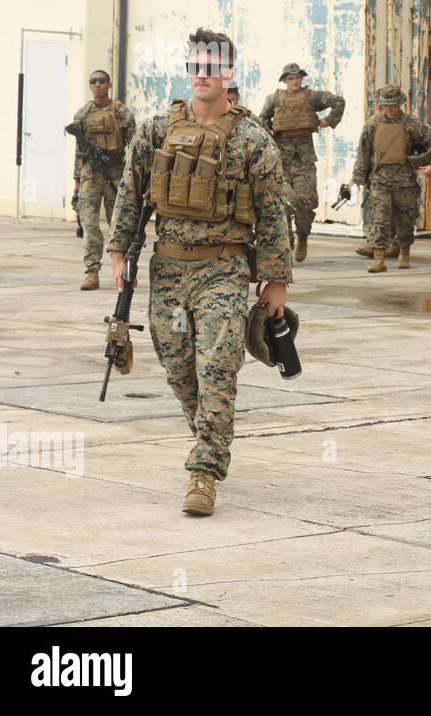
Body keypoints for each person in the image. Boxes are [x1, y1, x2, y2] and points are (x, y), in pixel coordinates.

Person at [106, 27, 292, 516]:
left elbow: (274, 212)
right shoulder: (154, 131)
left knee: (217, 368)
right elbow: (130, 192)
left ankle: (204, 469)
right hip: (167, 267)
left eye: (213, 66)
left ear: (230, 73)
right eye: (196, 65)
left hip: (224, 270)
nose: (203, 75)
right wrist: (118, 253)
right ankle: (209, 433)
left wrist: (275, 280)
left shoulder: (253, 140)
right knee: (179, 369)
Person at [258, 63, 345, 262]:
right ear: (284, 80)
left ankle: (303, 236)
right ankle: (286, 243)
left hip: (304, 160)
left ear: (301, 79)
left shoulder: (312, 97)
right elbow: (262, 118)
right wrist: (269, 135)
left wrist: (328, 121)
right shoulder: (274, 99)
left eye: (297, 78)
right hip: (281, 160)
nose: (294, 81)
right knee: (281, 204)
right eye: (290, 78)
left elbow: (338, 101)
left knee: (305, 203)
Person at [350, 85, 431, 271]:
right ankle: (379, 257)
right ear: (381, 105)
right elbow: (364, 153)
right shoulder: (372, 124)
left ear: (400, 104)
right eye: (386, 105)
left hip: (405, 181)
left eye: (393, 105)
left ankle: (404, 251)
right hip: (380, 180)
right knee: (379, 219)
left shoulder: (412, 124)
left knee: (405, 219)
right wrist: (357, 177)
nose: (390, 109)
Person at [70, 70, 136, 290]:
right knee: (89, 223)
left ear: (109, 84)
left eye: (101, 81)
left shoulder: (120, 113)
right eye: (93, 81)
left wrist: (132, 175)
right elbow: (79, 153)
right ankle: (91, 272)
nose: (97, 85)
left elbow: (133, 144)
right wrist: (77, 184)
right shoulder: (82, 114)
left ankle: (123, 271)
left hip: (114, 173)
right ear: (90, 86)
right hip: (90, 174)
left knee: (117, 224)